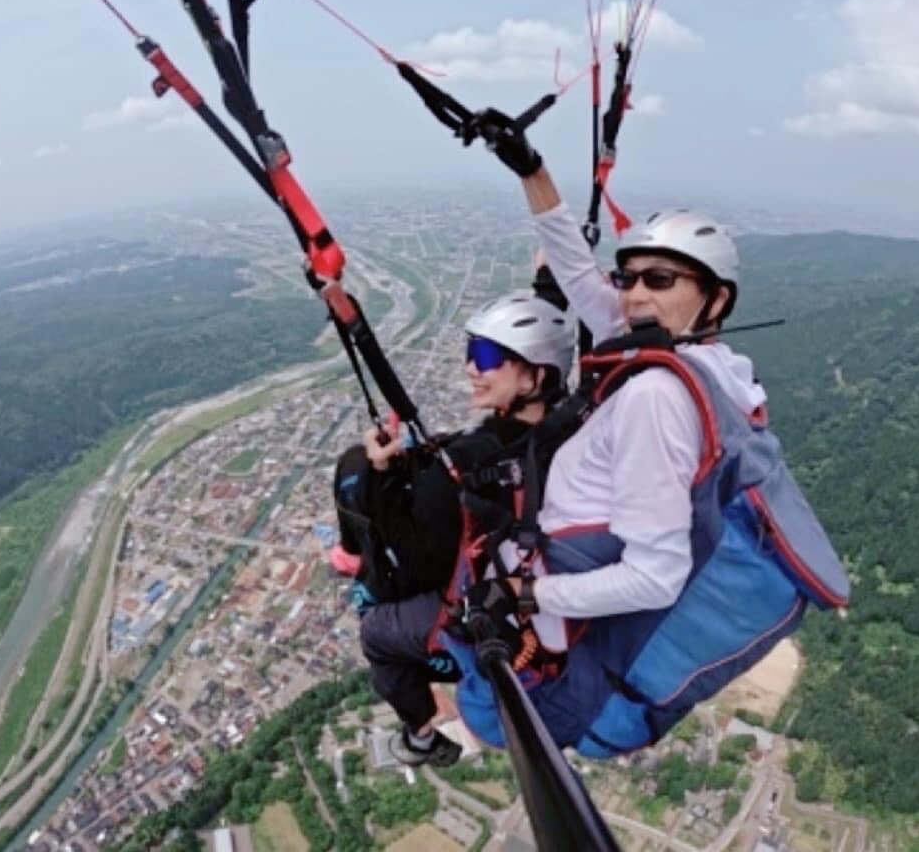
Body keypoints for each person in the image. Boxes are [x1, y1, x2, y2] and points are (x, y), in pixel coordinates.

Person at [438, 111, 848, 757]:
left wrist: (528, 593)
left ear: (716, 300)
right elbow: (579, 276)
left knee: (441, 636)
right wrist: (531, 169)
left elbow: (656, 577)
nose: (631, 297)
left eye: (660, 280)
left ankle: (440, 718)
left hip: (547, 607)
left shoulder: (657, 395)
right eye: (628, 277)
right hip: (553, 569)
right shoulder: (700, 362)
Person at [334, 290, 576, 766]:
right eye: (471, 351)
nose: (470, 367)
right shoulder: (571, 424)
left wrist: (381, 474)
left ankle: (422, 733)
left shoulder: (463, 465)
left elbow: (415, 566)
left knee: (376, 634)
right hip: (537, 579)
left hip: (491, 606)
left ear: (535, 375)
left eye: (486, 356)